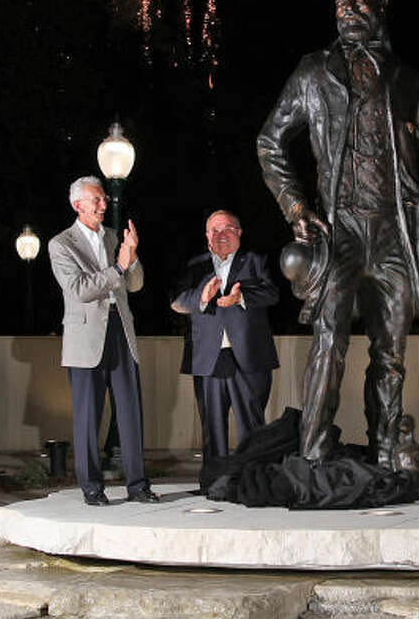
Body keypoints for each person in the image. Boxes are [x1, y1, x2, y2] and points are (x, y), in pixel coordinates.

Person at [256, 0, 419, 467]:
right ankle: (314, 451)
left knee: (392, 354)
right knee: (329, 341)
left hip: (395, 231)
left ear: (381, 5)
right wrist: (296, 207)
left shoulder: (407, 80)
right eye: (339, 0)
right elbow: (270, 141)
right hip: (340, 229)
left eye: (358, 0)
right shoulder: (312, 72)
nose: (347, 8)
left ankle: (387, 447)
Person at [48, 176, 159, 506]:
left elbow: (135, 285)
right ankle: (92, 488)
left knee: (130, 412)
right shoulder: (61, 244)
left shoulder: (113, 237)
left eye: (103, 200)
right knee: (87, 418)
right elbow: (80, 289)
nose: (103, 204)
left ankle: (138, 486)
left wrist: (133, 256)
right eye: (96, 200)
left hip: (120, 331)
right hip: (85, 340)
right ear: (77, 205)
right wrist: (119, 268)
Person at [171, 210, 280, 460]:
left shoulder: (256, 261)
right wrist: (202, 297)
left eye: (228, 228)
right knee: (212, 426)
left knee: (252, 426)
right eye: (214, 230)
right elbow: (177, 301)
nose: (221, 235)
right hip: (209, 358)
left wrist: (241, 297)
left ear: (239, 233)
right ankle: (214, 481)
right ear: (207, 235)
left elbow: (272, 294)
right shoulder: (194, 266)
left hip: (249, 356)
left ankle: (250, 480)